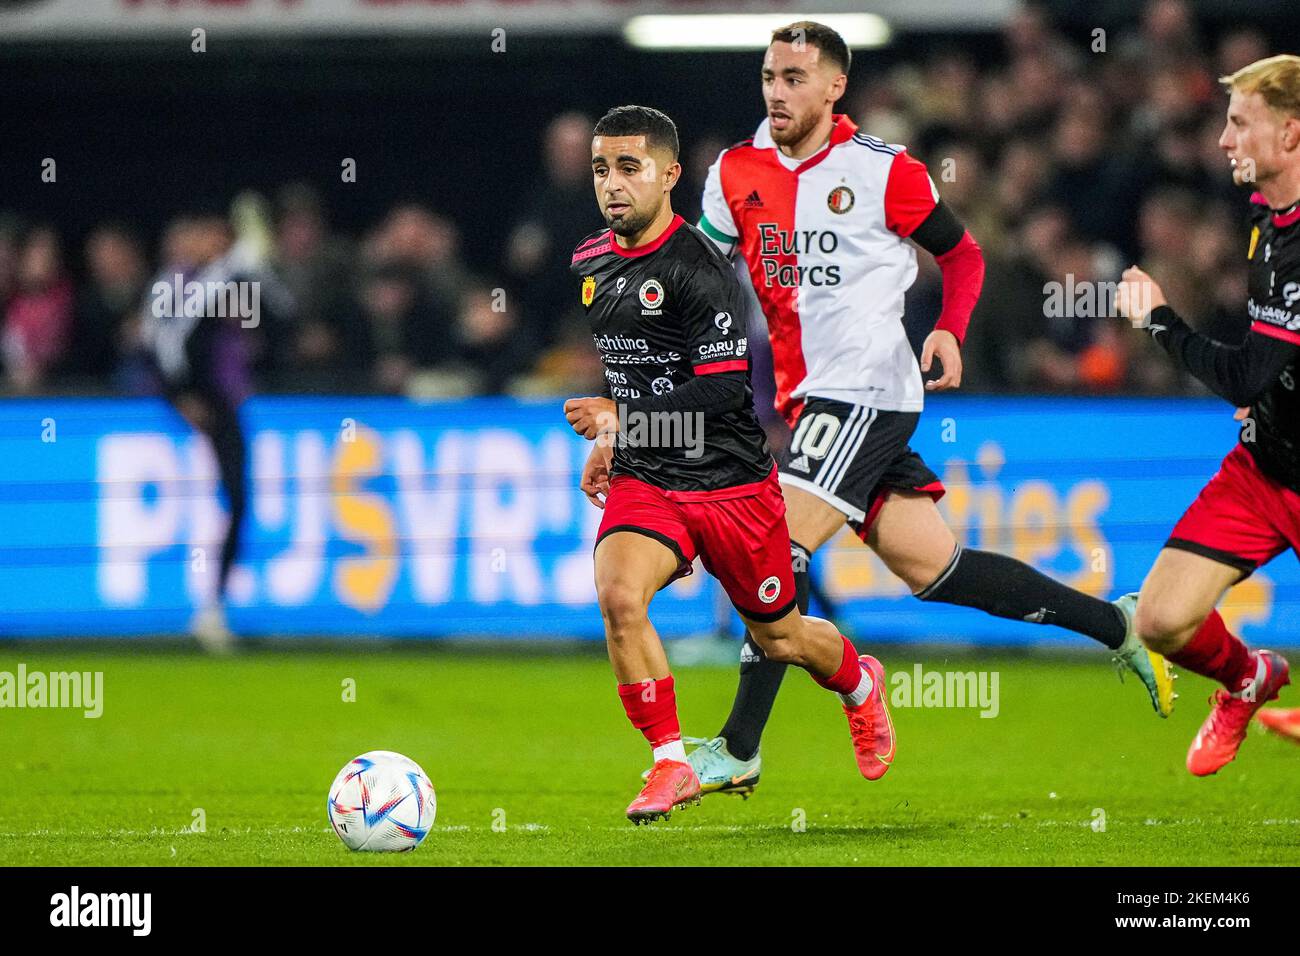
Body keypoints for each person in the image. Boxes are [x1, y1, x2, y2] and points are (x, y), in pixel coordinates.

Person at [682, 21, 1175, 796]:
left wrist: (946, 328)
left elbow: (964, 253)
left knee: (772, 546)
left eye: (795, 78)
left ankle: (745, 743)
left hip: (869, 389)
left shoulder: (884, 171)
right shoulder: (734, 172)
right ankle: (1117, 625)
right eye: (770, 76)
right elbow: (696, 274)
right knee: (935, 570)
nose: (778, 91)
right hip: (810, 400)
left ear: (835, 86)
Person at [565, 105, 895, 824]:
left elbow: (722, 390)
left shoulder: (697, 269)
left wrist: (624, 423)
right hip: (651, 480)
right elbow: (636, 378)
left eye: (630, 167)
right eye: (600, 169)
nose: (612, 184)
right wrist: (614, 441)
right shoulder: (590, 263)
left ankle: (860, 687)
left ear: (670, 176)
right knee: (620, 597)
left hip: (732, 485)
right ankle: (669, 764)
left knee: (782, 636)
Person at [1116, 54, 1300, 776]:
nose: (1224, 139)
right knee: (1159, 620)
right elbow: (1265, 363)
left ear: (1291, 133)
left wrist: (1160, 321)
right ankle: (1249, 678)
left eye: (1240, 123)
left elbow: (1247, 372)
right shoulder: (1265, 216)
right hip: (1267, 464)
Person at [142, 212, 256, 653]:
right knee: (216, 501)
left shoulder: (229, 282)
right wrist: (181, 396)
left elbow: (266, 318)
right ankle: (203, 608)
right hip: (197, 406)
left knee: (235, 501)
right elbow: (160, 347)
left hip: (221, 405)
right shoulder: (174, 287)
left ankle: (214, 606)